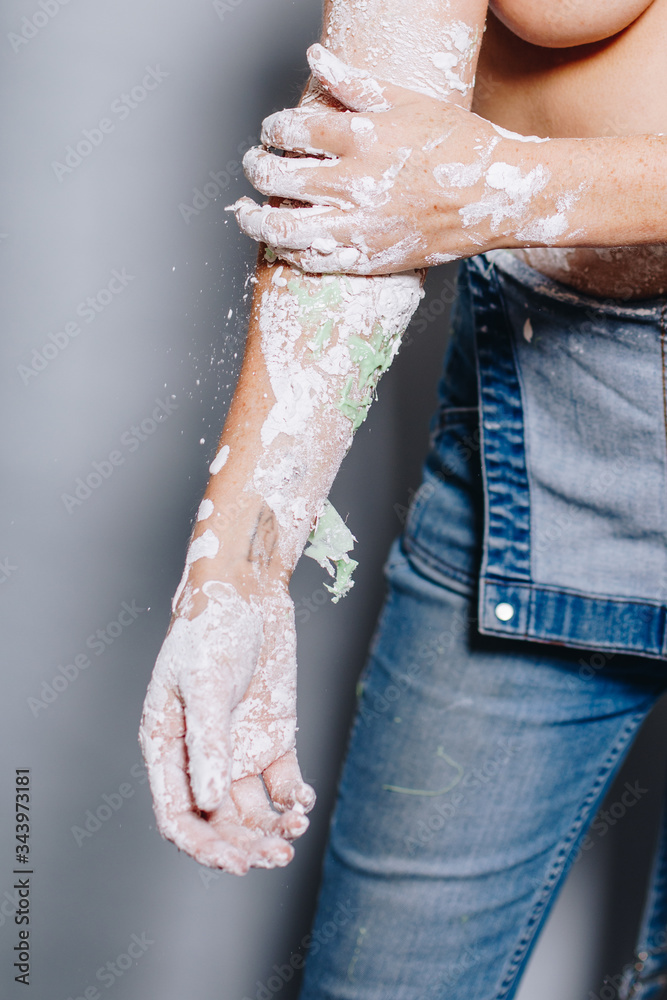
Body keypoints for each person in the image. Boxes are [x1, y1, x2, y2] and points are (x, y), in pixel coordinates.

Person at [139, 1, 667, 996]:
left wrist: (503, 184)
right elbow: (367, 178)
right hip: (537, 476)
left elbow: (430, 187)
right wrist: (235, 575)